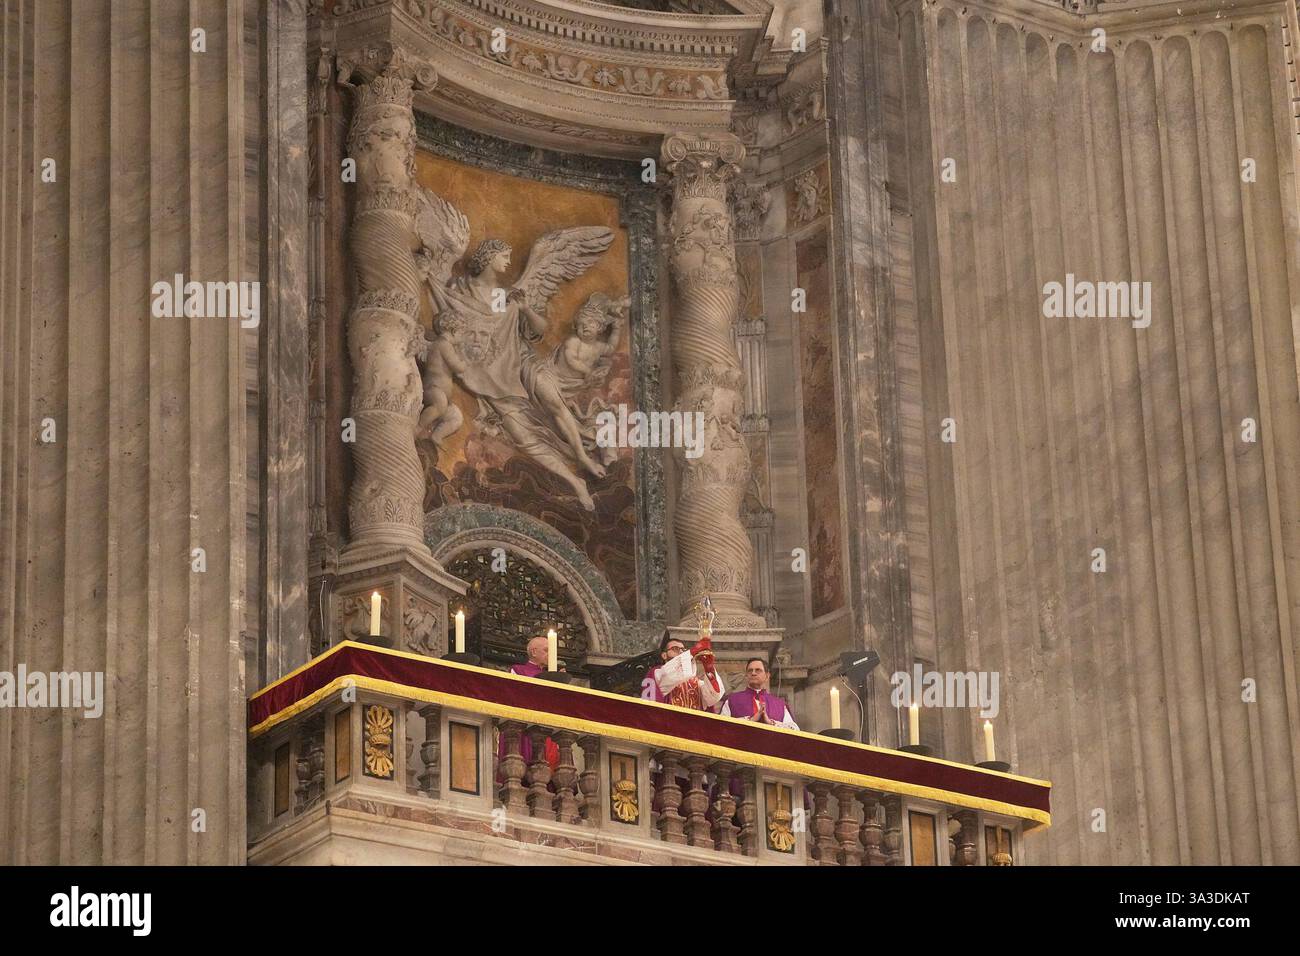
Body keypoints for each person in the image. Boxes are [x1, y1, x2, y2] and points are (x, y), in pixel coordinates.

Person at [641, 632, 725, 712]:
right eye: (675, 649)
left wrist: (709, 668)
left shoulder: (697, 683)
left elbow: (714, 697)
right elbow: (668, 674)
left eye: (683, 650)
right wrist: (693, 651)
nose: (681, 652)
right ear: (664, 655)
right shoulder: (657, 674)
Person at [721, 658, 799, 729]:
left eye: (758, 670)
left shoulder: (780, 704)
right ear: (746, 676)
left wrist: (771, 722)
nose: (753, 673)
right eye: (750, 670)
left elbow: (794, 730)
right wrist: (750, 721)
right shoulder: (732, 700)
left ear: (767, 676)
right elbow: (721, 726)